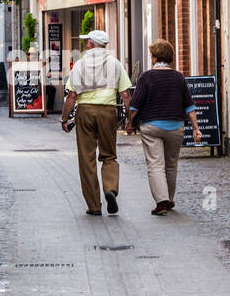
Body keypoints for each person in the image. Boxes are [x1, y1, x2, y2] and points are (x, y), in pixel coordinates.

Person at [60, 29, 132, 216]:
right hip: (107, 111)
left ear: (92, 44)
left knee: (87, 158)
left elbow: (72, 95)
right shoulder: (115, 64)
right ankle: (110, 189)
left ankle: (94, 205)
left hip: (85, 112)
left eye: (87, 41)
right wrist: (130, 120)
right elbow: (125, 95)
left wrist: (65, 118)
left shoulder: (80, 64)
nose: (85, 44)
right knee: (109, 155)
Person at [125, 41, 201, 215]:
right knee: (171, 165)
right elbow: (190, 107)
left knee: (155, 165)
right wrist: (196, 129)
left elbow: (135, 106)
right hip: (176, 127)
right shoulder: (178, 77)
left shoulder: (146, 77)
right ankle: (169, 199)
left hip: (152, 126)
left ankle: (161, 202)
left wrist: (129, 123)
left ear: (155, 57)